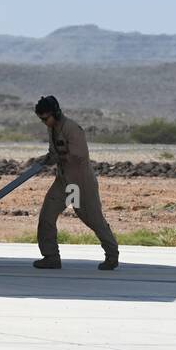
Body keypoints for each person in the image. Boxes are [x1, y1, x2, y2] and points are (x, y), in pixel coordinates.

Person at [33, 95, 119, 271]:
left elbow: (79, 156)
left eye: (45, 118)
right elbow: (53, 151)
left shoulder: (72, 129)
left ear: (55, 113)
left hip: (81, 182)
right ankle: (51, 257)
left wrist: (59, 157)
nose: (44, 122)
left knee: (92, 219)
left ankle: (112, 255)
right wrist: (47, 159)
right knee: (46, 216)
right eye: (41, 119)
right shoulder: (52, 129)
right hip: (63, 181)